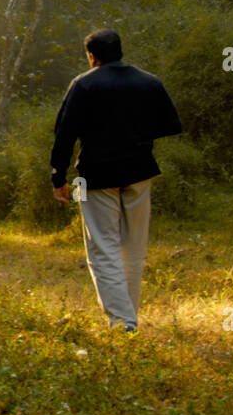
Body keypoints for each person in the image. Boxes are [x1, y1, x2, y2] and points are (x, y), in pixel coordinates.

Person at [50, 29, 182, 332]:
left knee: (102, 247)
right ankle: (127, 318)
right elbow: (173, 125)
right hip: (140, 172)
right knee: (133, 248)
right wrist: (136, 136)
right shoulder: (149, 82)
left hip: (93, 175)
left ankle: (123, 323)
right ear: (120, 51)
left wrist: (58, 175)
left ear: (92, 56)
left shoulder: (83, 85)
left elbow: (64, 135)